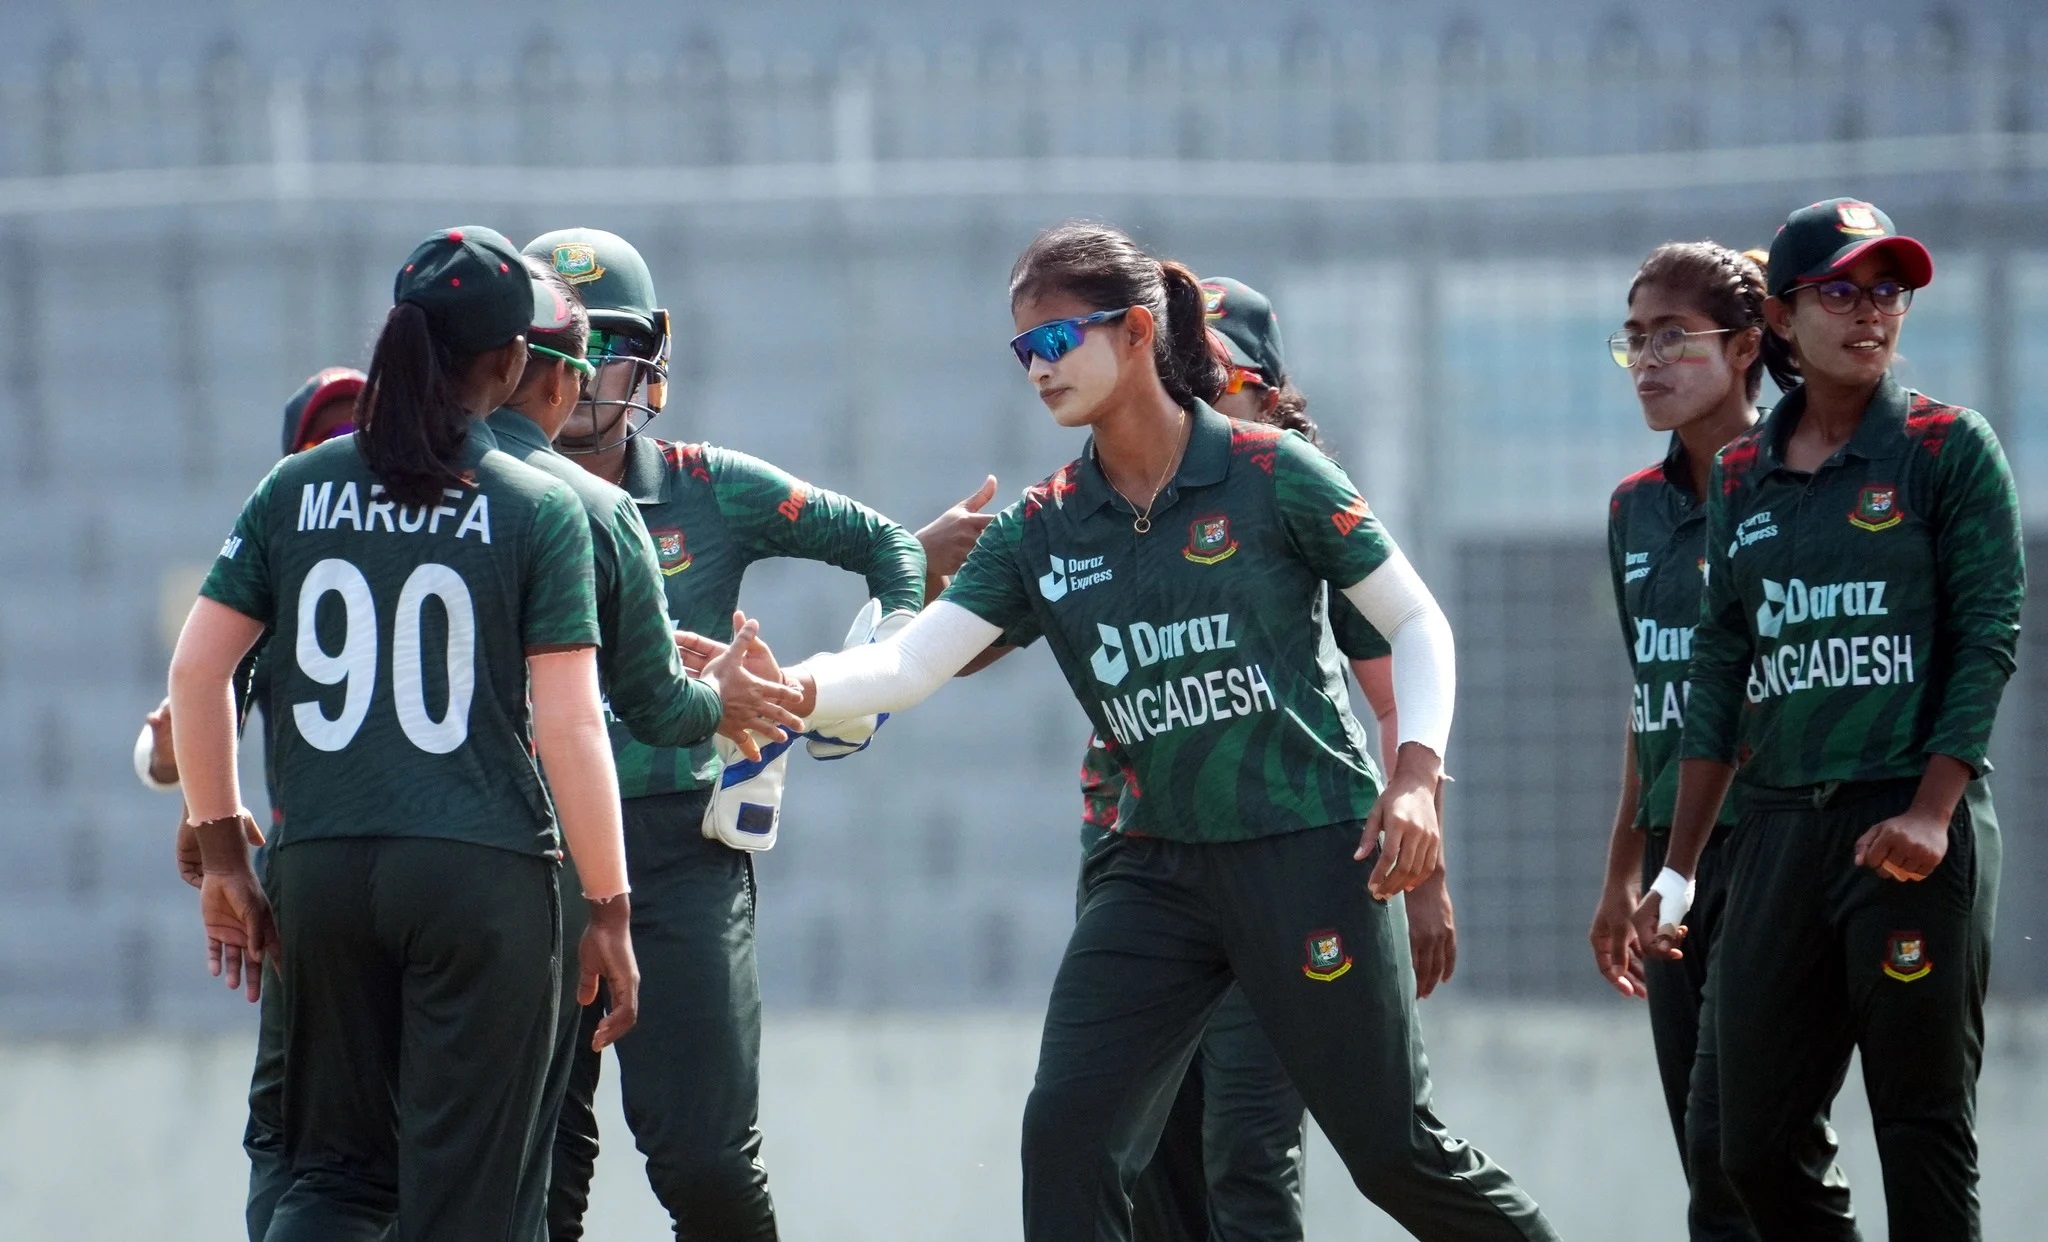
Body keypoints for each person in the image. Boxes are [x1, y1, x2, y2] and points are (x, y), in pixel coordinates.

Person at [772, 221, 1556, 1240]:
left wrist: (1413, 777)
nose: (1037, 369)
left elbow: (1416, 622)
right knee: (1069, 1138)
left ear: (1137, 332)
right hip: (1151, 867)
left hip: (1305, 847)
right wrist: (781, 688)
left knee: (1391, 1153)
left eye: (1057, 340)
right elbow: (910, 665)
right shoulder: (1042, 524)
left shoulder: (1273, 472)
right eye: (1023, 350)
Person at [911, 274, 1457, 1242]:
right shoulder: (1088, 512)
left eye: (1215, 377)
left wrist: (1422, 875)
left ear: (1267, 393)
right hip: (1143, 868)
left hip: (1281, 859)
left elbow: (1392, 696)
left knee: (1248, 1153)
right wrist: (910, 574)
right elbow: (944, 652)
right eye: (1182, 370)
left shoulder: (1285, 497)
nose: (1191, 393)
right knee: (1145, 1162)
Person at [166, 225, 642, 1240]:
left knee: (335, 1180)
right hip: (479, 873)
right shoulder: (538, 506)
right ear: (511, 363)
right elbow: (568, 725)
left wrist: (223, 853)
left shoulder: (296, 486)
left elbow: (197, 672)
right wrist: (608, 903)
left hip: (322, 868)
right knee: (470, 1203)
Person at [522, 228, 927, 1242]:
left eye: (605, 349)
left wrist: (870, 669)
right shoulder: (482, 495)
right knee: (530, 1181)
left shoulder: (708, 486)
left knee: (706, 1166)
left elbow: (885, 544)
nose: (581, 378)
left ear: (651, 361)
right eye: (560, 350)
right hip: (524, 851)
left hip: (675, 852)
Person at [1634, 199, 2024, 1241]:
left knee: (1920, 1125)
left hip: (1907, 821)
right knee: (1750, 1146)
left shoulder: (1947, 447)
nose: (1869, 313)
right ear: (1780, 316)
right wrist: (1677, 872)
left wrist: (1933, 811)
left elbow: (1987, 635)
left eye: (1886, 291)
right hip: (1776, 832)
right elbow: (1719, 669)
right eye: (1840, 292)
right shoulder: (1740, 472)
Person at [134, 365, 366, 1240]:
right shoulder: (464, 538)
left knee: (305, 1150)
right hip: (439, 881)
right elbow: (187, 716)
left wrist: (204, 815)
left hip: (319, 883)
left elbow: (191, 705)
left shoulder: (282, 572)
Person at [1589, 242, 1769, 1242]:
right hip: (1668, 859)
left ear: (1745, 348)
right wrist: (1623, 871)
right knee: (1703, 1153)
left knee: (1739, 1140)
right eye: (1635, 340)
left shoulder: (1792, 482)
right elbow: (1650, 695)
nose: (1648, 361)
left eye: (1673, 337)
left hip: (1772, 836)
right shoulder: (1633, 509)